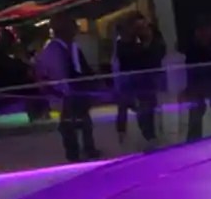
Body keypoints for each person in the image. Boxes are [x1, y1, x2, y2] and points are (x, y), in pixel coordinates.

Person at [34, 14, 100, 162]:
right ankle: (74, 153)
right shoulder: (54, 50)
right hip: (67, 94)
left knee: (82, 121)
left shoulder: (72, 47)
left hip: (77, 91)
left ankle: (86, 149)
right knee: (69, 124)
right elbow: (54, 73)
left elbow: (82, 68)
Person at [113, 14, 166, 146]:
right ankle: (130, 133)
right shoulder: (124, 43)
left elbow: (158, 54)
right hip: (131, 82)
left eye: (143, 26)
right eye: (137, 27)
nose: (141, 29)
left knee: (149, 108)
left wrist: (149, 38)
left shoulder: (154, 39)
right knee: (133, 107)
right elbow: (130, 58)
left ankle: (150, 135)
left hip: (149, 81)